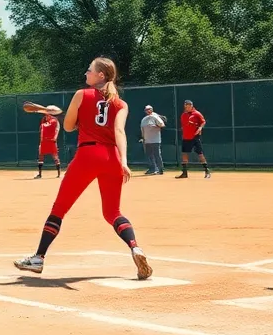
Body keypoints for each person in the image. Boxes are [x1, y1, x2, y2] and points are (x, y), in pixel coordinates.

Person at [14, 57, 153, 281]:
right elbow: (119, 132)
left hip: (88, 155)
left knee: (59, 208)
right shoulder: (121, 104)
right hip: (112, 158)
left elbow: (68, 126)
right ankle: (135, 247)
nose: (85, 74)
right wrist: (124, 161)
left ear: (101, 75)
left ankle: (38, 258)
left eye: (89, 70)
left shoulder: (82, 94)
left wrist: (67, 115)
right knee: (112, 212)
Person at [176, 99, 210, 179]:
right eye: (185, 106)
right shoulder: (183, 115)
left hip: (194, 137)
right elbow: (184, 125)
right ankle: (184, 173)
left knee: (200, 154)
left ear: (191, 106)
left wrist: (200, 128)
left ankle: (207, 171)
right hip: (186, 137)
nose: (186, 107)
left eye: (188, 106)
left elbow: (203, 122)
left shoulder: (197, 113)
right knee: (184, 154)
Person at [34, 111, 61, 179]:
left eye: (47, 115)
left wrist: (55, 138)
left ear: (51, 115)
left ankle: (59, 173)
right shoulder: (44, 121)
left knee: (55, 157)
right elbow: (41, 129)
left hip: (51, 141)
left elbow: (56, 130)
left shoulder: (54, 121)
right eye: (46, 116)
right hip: (44, 142)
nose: (46, 117)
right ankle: (39, 174)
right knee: (41, 157)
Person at [139, 105, 166, 175]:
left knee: (157, 155)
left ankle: (160, 169)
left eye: (149, 109)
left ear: (152, 109)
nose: (148, 110)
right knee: (149, 155)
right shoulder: (144, 119)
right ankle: (152, 169)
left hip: (156, 140)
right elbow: (142, 130)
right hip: (147, 140)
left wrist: (156, 126)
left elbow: (162, 125)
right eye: (146, 109)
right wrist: (143, 138)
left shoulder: (155, 117)